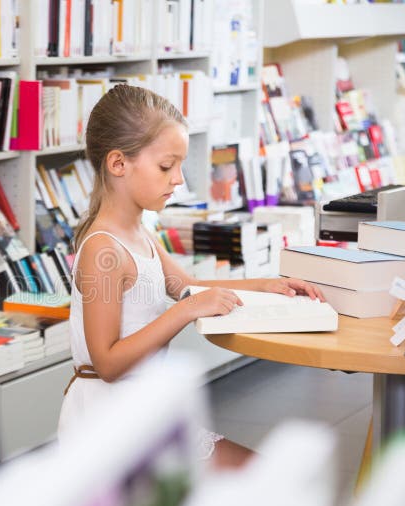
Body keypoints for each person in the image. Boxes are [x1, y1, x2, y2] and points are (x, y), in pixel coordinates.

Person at [58, 85, 325, 469]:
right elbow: (108, 363)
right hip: (110, 423)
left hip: (141, 410)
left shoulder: (138, 234)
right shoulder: (104, 250)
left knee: (264, 475)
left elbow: (188, 289)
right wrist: (184, 311)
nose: (178, 179)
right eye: (166, 166)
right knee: (262, 475)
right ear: (118, 164)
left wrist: (265, 284)